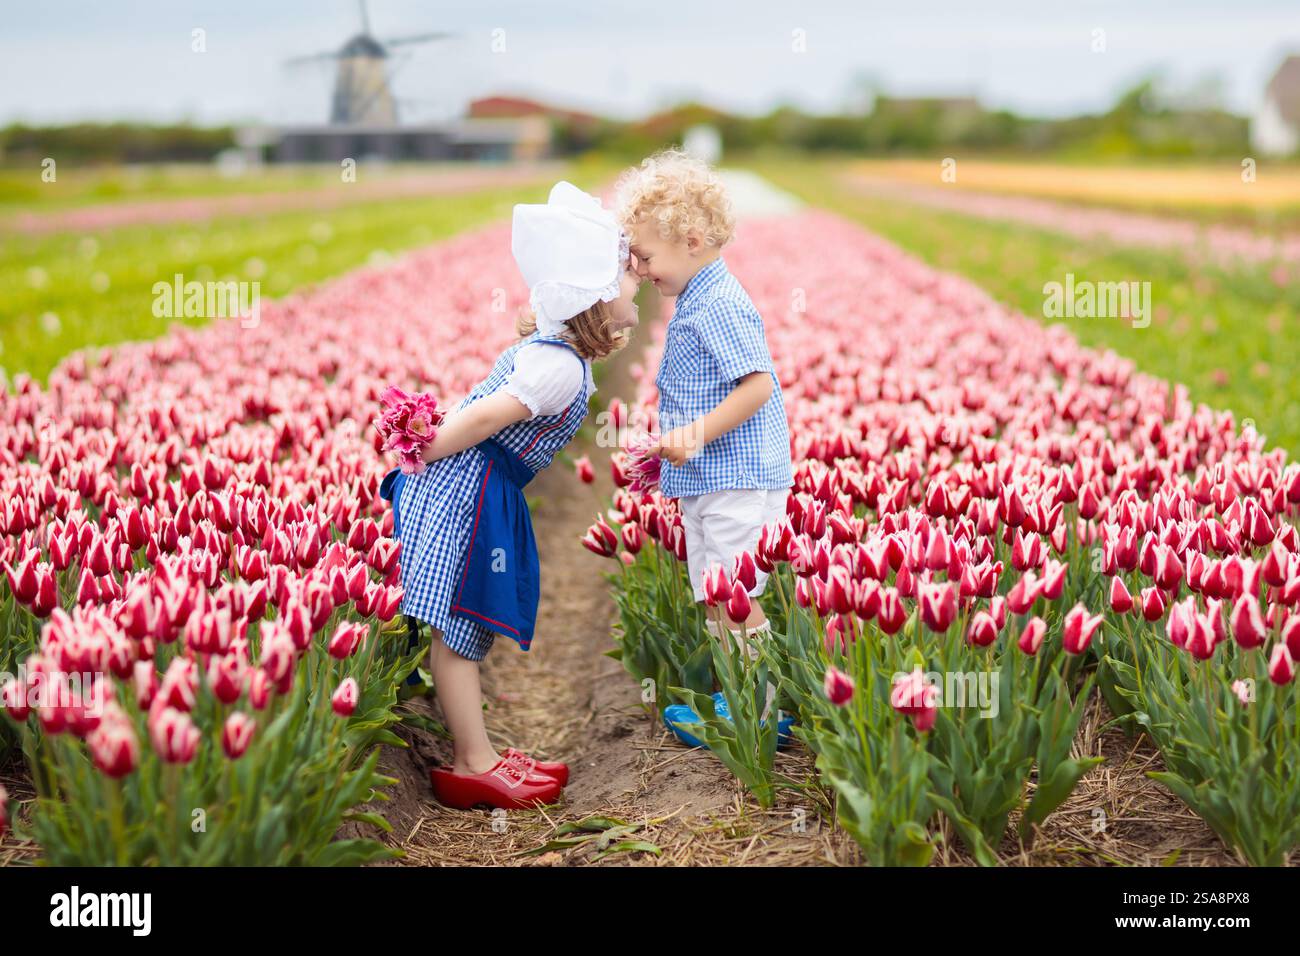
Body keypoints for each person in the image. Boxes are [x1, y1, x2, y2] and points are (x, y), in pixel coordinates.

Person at [380, 181, 641, 809]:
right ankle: (472, 763)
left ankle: (483, 754)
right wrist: (423, 443)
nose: (639, 285)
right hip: (464, 492)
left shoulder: (554, 353)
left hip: (476, 486)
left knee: (462, 628)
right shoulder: (555, 367)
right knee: (458, 627)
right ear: (595, 301)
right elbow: (482, 419)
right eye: (627, 276)